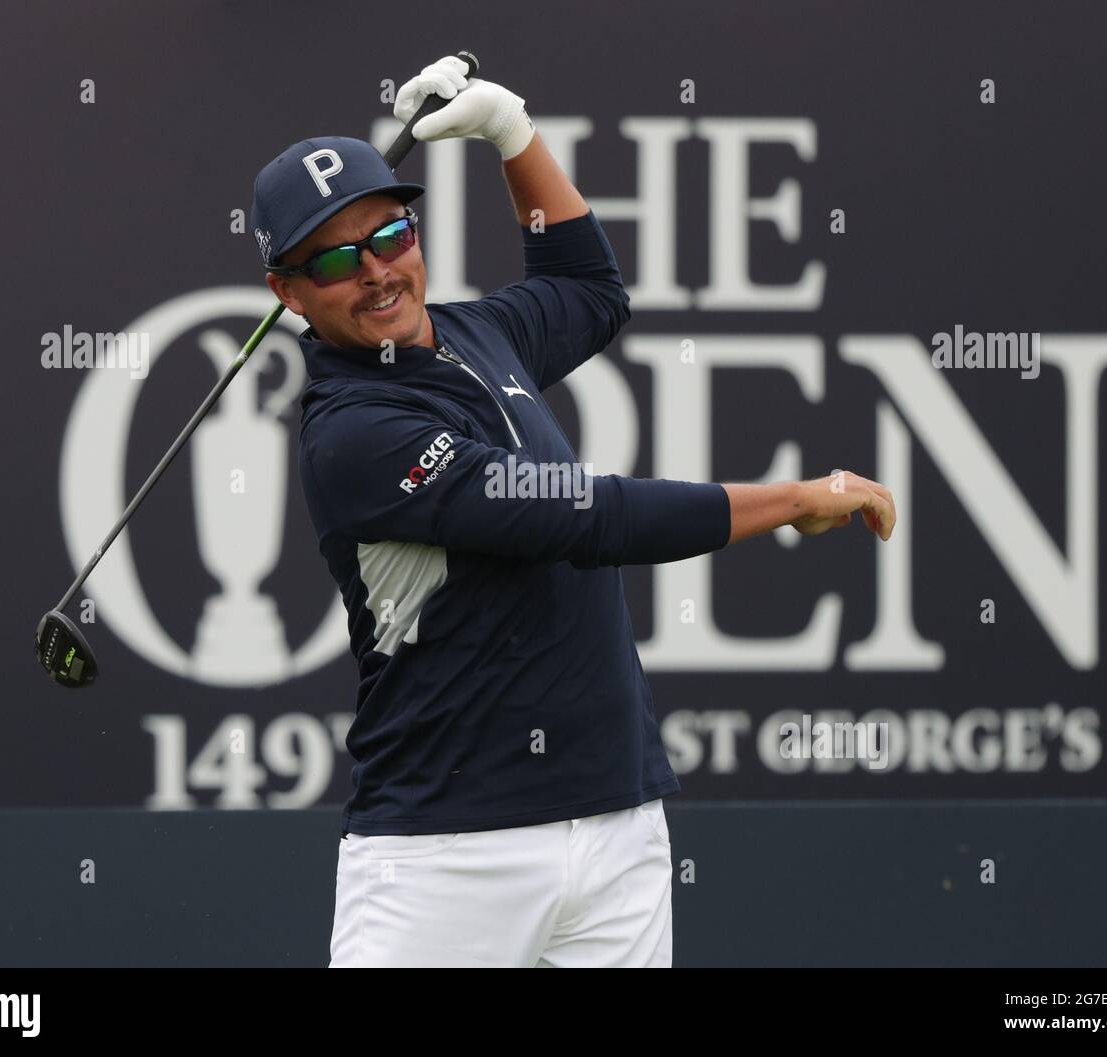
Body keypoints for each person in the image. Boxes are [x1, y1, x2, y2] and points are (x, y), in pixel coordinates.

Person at [250, 55, 897, 967]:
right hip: (446, 853)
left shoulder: (479, 332)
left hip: (615, 820)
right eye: (336, 259)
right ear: (290, 293)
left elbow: (592, 290)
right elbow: (580, 515)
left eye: (391, 234)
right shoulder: (351, 435)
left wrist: (511, 136)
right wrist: (789, 499)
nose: (378, 272)